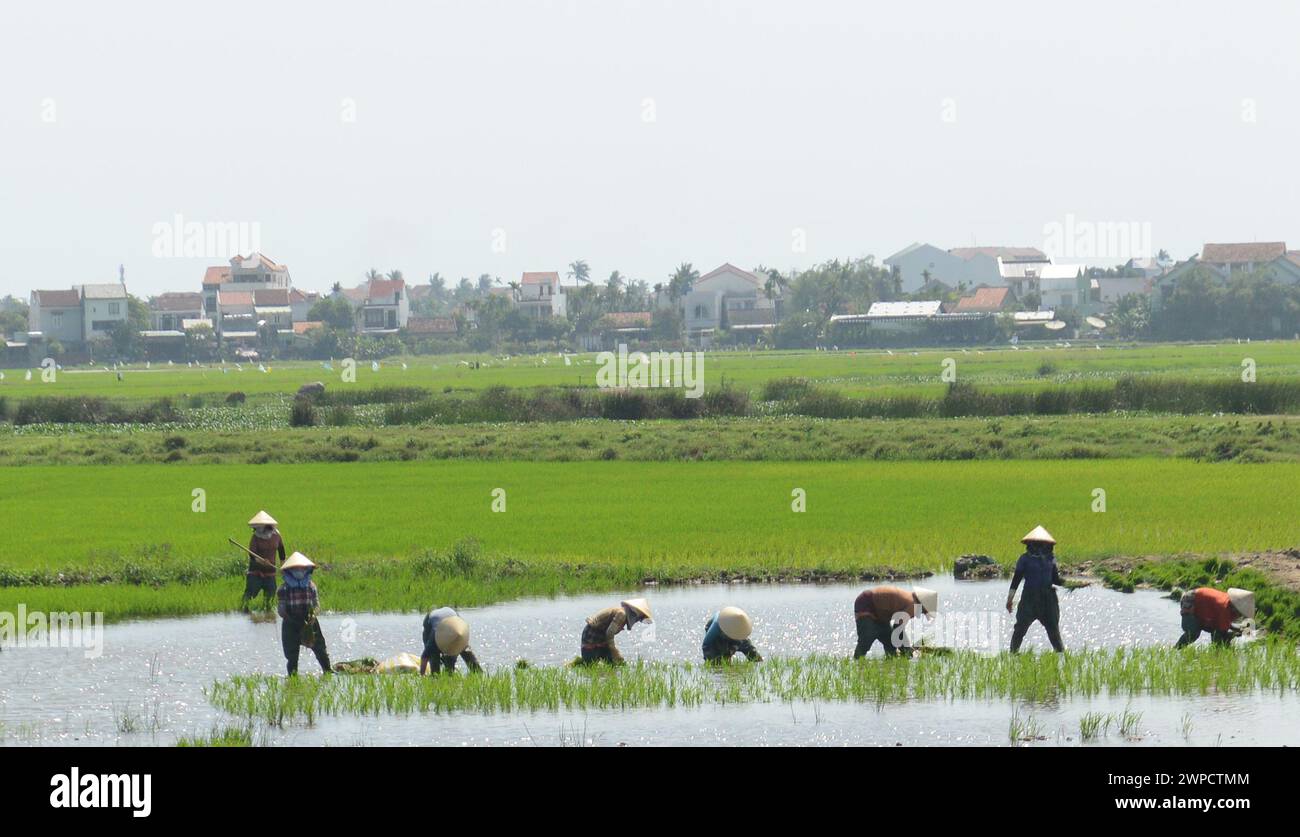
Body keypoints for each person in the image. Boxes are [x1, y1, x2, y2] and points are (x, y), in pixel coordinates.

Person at [1006, 525, 1066, 653]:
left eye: (1042, 544)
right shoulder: (1025, 559)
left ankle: (1061, 656)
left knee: (1054, 632)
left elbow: (1056, 579)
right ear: (1031, 544)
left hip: (1048, 600)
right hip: (1030, 599)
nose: (1040, 547)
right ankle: (1012, 654)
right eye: (1037, 544)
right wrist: (1010, 599)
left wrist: (1073, 584)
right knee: (1020, 629)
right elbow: (1016, 580)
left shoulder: (1051, 559)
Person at [276, 552, 331, 676]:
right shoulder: (283, 588)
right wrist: (287, 616)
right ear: (290, 571)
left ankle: (328, 672)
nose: (299, 571)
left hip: (309, 621)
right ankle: (293, 678)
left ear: (307, 570)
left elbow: (316, 605)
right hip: (291, 622)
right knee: (292, 656)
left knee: (320, 649)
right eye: (296, 569)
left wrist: (313, 616)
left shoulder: (311, 586)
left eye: (302, 568)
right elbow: (281, 609)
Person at [853, 585, 938, 657]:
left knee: (890, 644)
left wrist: (905, 647)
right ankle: (856, 663)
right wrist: (907, 649)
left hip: (880, 614)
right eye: (924, 612)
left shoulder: (910, 599)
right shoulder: (913, 605)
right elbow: (897, 628)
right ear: (922, 606)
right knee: (866, 639)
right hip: (867, 603)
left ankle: (890, 668)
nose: (921, 614)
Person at [579, 598, 652, 665]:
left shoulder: (623, 613)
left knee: (611, 663)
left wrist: (615, 652)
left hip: (602, 634)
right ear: (635, 614)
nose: (638, 620)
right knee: (590, 664)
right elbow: (610, 633)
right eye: (640, 618)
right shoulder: (622, 614)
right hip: (592, 634)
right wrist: (614, 651)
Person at [1175, 587, 1254, 648]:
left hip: (1204, 605)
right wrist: (1236, 634)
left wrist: (1243, 631)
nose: (1240, 615)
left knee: (1216, 630)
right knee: (1193, 633)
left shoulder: (1230, 606)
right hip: (1190, 600)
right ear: (1236, 607)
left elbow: (1225, 624)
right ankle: (1176, 650)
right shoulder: (1224, 608)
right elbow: (1221, 632)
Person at [242, 510, 285, 609]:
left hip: (270, 572)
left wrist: (283, 566)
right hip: (256, 571)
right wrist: (261, 561)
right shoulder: (255, 537)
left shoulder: (276, 535)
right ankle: (244, 609)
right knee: (250, 594)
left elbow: (281, 551)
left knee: (270, 597)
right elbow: (252, 554)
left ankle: (267, 614)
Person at [420, 607, 482, 674]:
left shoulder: (460, 634)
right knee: (434, 656)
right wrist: (422, 675)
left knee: (462, 654)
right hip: (431, 621)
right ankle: (435, 677)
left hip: (453, 618)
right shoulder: (434, 638)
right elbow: (424, 657)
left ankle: (478, 673)